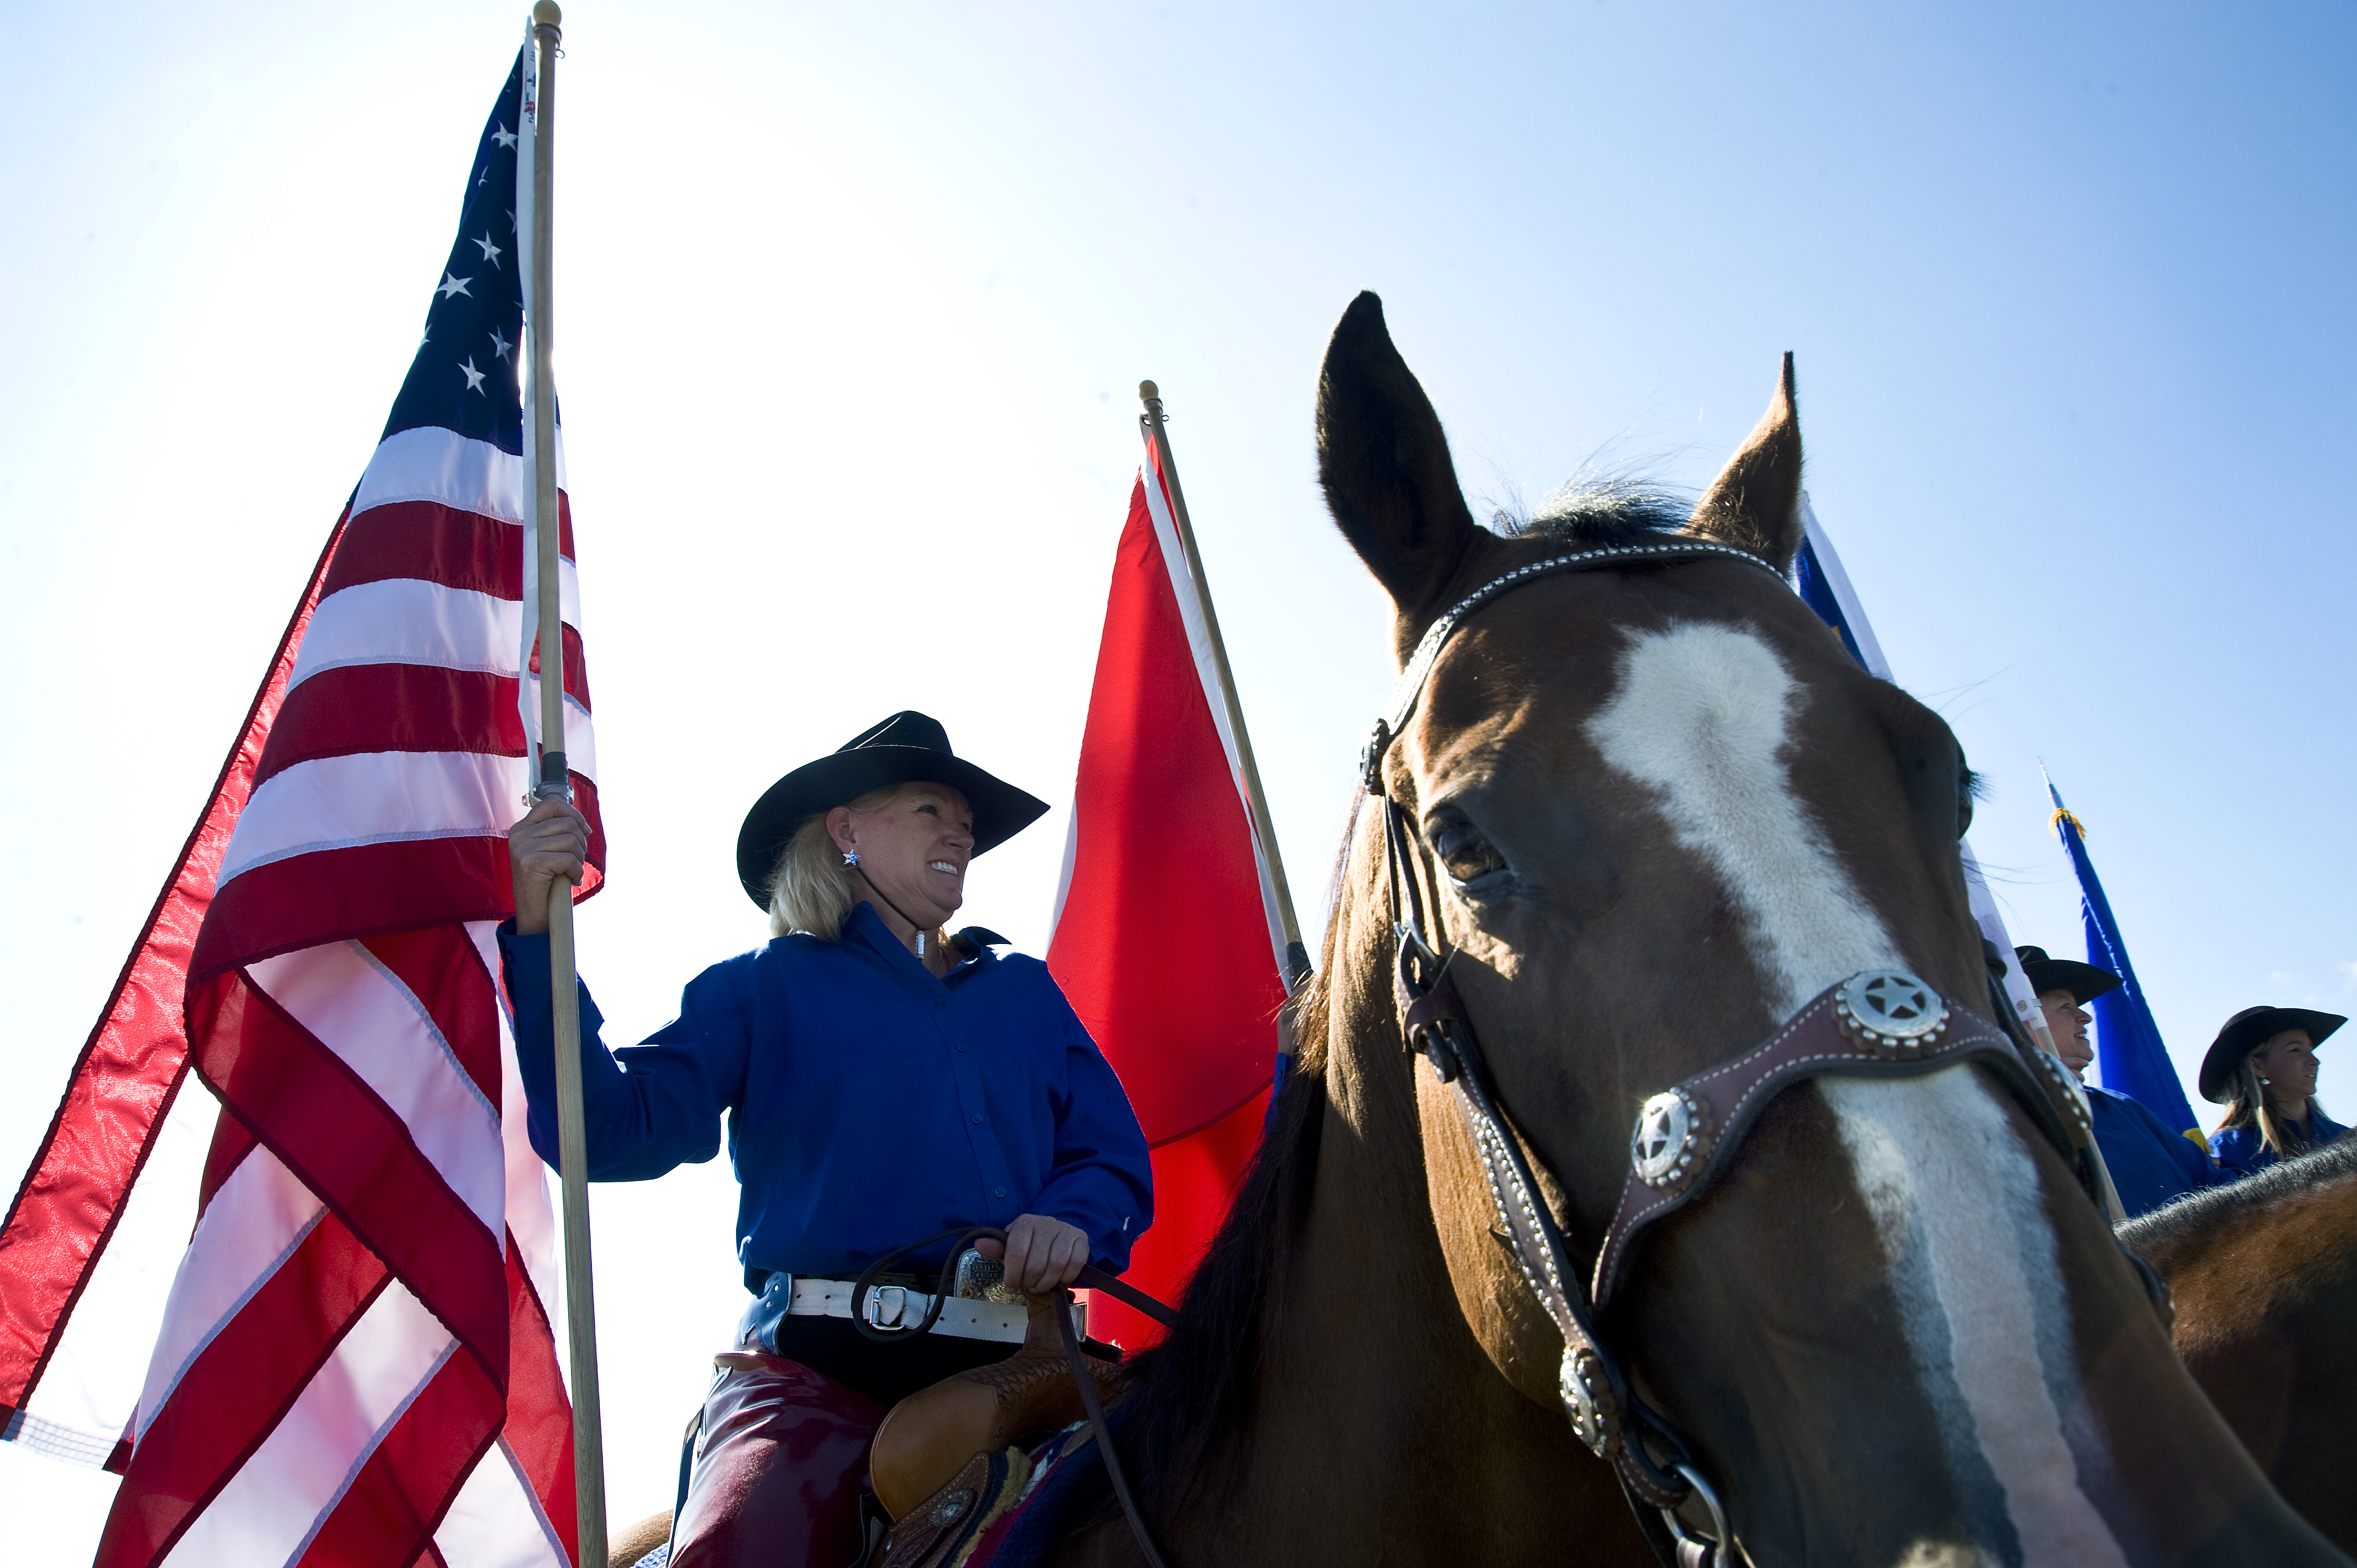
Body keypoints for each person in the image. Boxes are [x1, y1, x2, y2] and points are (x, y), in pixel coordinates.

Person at [502, 711, 1153, 1568]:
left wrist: (1072, 1217)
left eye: (965, 819)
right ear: (847, 831)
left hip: (1028, 1366)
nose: (961, 828)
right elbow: (609, 1131)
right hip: (815, 1380)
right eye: (930, 809)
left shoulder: (1027, 995)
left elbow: (1109, 1157)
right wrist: (539, 932)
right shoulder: (763, 989)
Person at [2016, 945, 2223, 1218]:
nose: (2086, 1017)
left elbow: (2214, 1184)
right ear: (2021, 1021)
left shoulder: (2120, 1106)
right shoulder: (2008, 1115)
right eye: (2066, 1006)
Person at [2199, 1005, 2349, 1176]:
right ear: (2258, 1066)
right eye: (2296, 1050)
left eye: (2310, 1050)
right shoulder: (2226, 1153)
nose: (2314, 1061)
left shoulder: (2345, 1138)